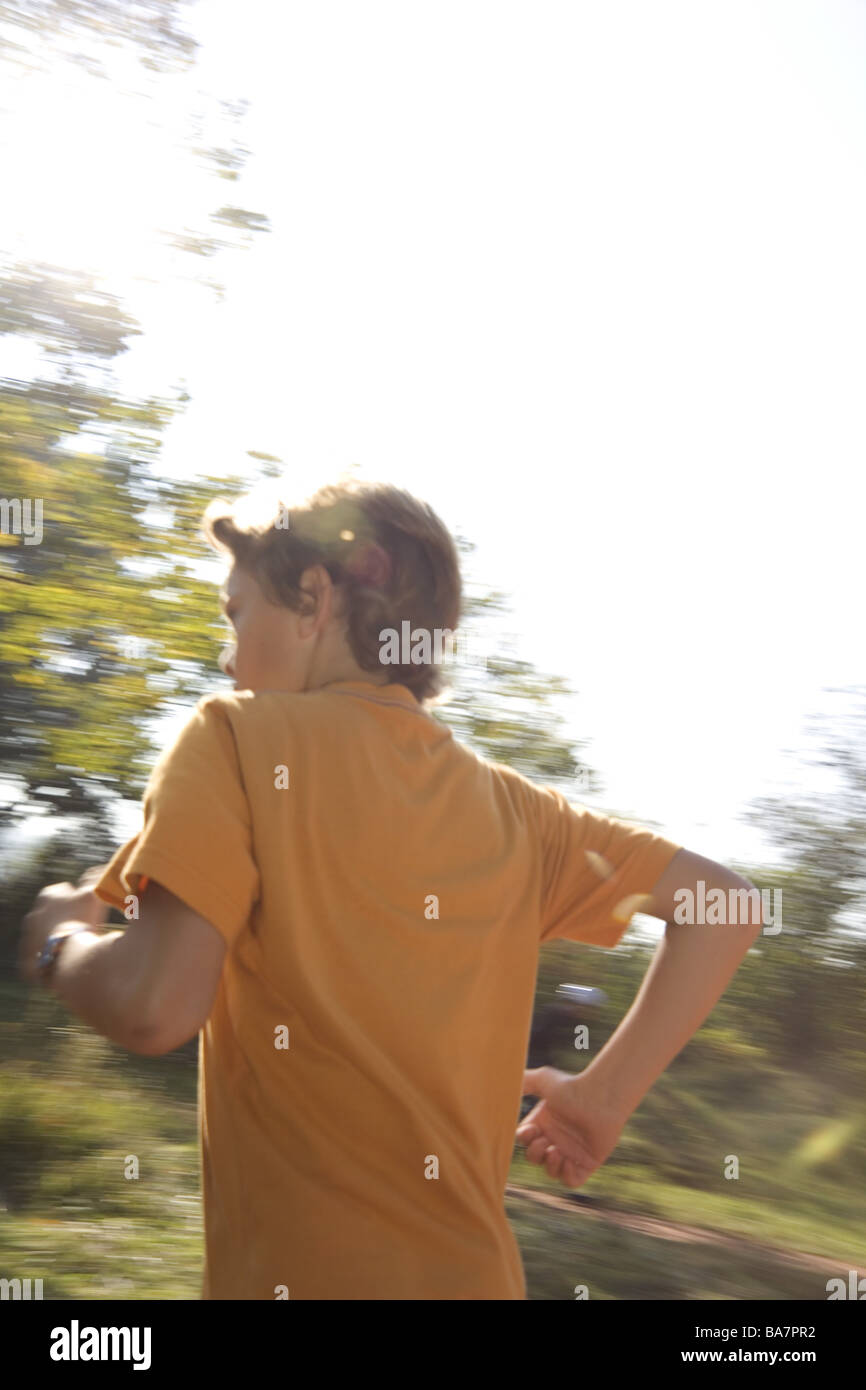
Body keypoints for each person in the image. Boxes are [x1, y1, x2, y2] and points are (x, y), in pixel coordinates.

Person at [20, 478, 765, 1300]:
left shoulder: (231, 735)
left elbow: (152, 1006)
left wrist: (60, 946)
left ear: (313, 597)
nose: (227, 656)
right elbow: (725, 907)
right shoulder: (523, 816)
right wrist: (601, 1100)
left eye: (235, 615)